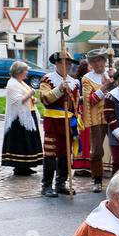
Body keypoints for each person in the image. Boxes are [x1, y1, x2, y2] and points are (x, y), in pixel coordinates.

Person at [38, 52, 81, 198]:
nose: (67, 66)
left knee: (65, 153)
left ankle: (61, 183)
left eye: (69, 64)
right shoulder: (48, 79)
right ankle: (47, 185)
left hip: (68, 121)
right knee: (50, 153)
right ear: (56, 64)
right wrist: (59, 89)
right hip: (53, 120)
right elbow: (44, 99)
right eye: (64, 63)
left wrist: (77, 118)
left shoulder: (74, 82)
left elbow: (75, 104)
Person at [79, 49, 113, 193]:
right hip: (97, 119)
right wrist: (105, 86)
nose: (98, 63)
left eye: (101, 60)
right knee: (97, 151)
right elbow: (90, 100)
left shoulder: (113, 74)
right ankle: (97, 179)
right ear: (91, 64)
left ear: (105, 61)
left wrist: (115, 81)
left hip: (114, 117)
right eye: (95, 61)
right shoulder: (87, 78)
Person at [0, 60, 42, 176]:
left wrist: (33, 99)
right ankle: (19, 167)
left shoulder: (21, 83)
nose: (27, 73)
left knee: (28, 141)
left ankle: (27, 165)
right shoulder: (12, 84)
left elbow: (26, 98)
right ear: (19, 72)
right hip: (19, 119)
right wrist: (31, 93)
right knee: (21, 143)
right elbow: (19, 101)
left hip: (28, 115)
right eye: (25, 71)